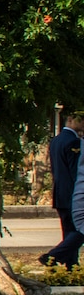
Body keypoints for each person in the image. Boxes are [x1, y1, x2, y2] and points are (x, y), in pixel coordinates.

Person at [45, 110, 81, 267]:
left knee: (69, 231)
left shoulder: (56, 140)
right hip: (74, 195)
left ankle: (71, 265)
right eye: (81, 120)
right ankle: (53, 257)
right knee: (78, 231)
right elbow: (76, 172)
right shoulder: (74, 142)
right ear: (71, 120)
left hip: (60, 194)